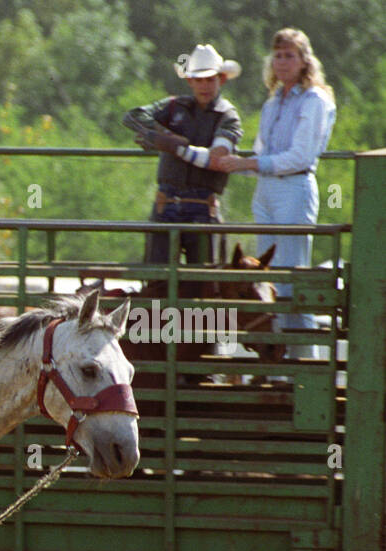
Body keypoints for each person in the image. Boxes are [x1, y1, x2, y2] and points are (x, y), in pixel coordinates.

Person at [216, 28, 336, 341]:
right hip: (267, 189)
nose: (281, 62)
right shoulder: (273, 104)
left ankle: (301, 365)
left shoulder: (315, 100)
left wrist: (246, 163)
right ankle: (278, 359)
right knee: (267, 275)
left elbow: (299, 156)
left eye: (289, 55)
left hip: (293, 187)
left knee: (291, 279)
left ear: (303, 60)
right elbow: (262, 154)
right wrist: (231, 162)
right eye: (278, 55)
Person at [123, 44, 243, 265]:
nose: (204, 86)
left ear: (221, 79)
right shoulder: (173, 106)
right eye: (199, 80)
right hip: (166, 201)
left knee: (204, 281)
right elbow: (133, 116)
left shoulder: (228, 115)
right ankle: (159, 302)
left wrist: (172, 145)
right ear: (189, 81)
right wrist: (165, 135)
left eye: (210, 79)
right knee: (157, 279)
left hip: (202, 205)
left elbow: (217, 157)